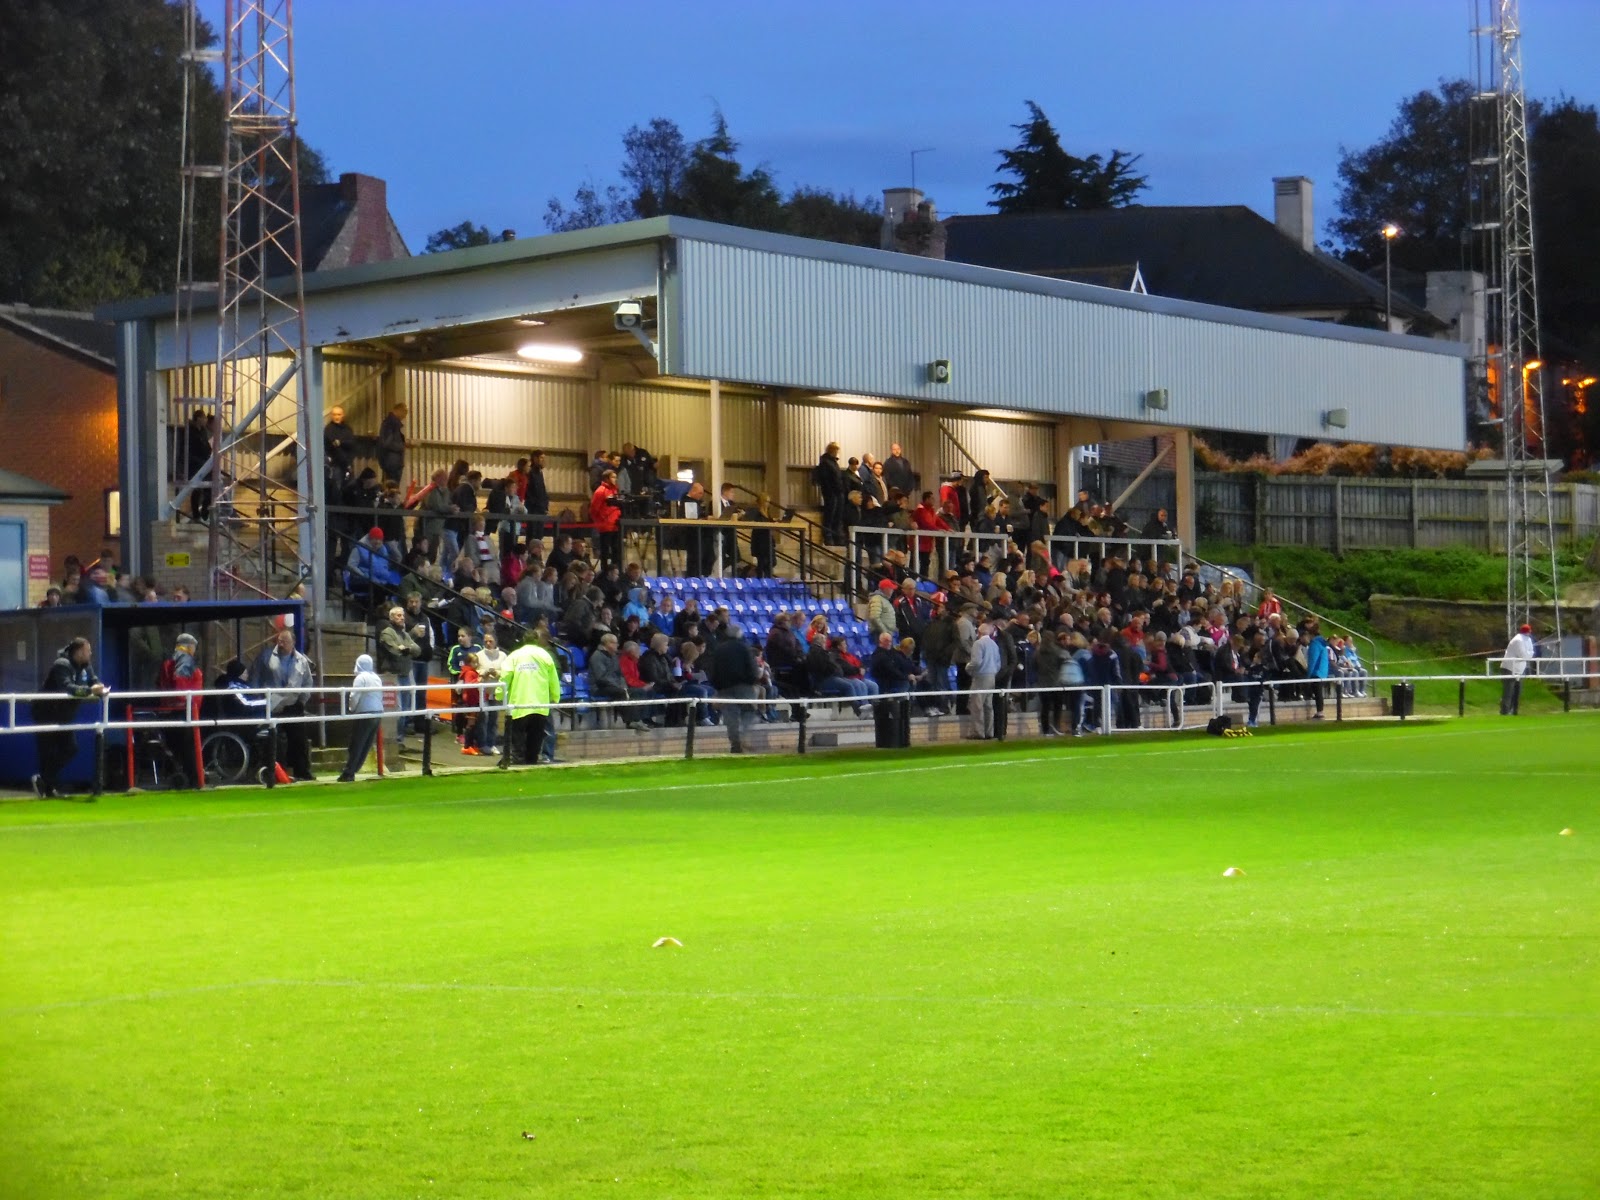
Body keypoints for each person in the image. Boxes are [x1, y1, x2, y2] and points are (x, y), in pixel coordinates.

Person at [30, 637, 109, 799]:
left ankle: (44, 780)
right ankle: (48, 789)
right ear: (79, 652)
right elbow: (68, 687)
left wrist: (100, 689)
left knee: (70, 748)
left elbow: (94, 682)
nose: (90, 653)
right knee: (48, 752)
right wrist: (90, 691)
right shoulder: (62, 665)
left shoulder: (86, 667)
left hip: (64, 715)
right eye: (88, 650)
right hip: (46, 713)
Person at [251, 629, 316, 781]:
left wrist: (302, 701)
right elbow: (256, 677)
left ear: (293, 643)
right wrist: (258, 697)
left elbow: (308, 682)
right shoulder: (265, 656)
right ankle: (278, 773)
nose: (281, 644)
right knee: (275, 740)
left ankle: (302, 771)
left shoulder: (301, 660)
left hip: (294, 704)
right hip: (273, 705)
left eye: (285, 641)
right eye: (279, 641)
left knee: (299, 739)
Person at [495, 631, 562, 767]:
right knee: (535, 738)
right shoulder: (545, 656)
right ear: (536, 640)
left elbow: (505, 677)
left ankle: (518, 761)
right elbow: (553, 679)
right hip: (540, 705)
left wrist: (499, 694)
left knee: (517, 737)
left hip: (519, 704)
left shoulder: (514, 656)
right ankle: (532, 761)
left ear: (523, 640)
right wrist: (556, 696)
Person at [375, 605, 420, 769]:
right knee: (397, 710)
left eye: (402, 615)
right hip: (392, 676)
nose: (402, 618)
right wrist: (406, 649)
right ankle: (393, 740)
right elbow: (394, 651)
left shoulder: (404, 634)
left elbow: (417, 650)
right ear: (391, 618)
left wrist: (407, 649)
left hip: (405, 674)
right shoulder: (387, 632)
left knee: (405, 710)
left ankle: (400, 740)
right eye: (398, 616)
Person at [709, 624, 760, 752]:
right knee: (749, 711)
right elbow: (752, 668)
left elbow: (713, 670)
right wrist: (753, 681)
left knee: (730, 716)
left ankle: (735, 743)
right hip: (744, 686)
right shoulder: (744, 648)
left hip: (724, 688)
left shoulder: (719, 649)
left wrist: (717, 686)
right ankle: (742, 734)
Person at [337, 654, 385, 782]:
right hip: (378, 713)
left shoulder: (360, 678)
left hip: (364, 713)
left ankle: (349, 772)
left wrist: (351, 709)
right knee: (366, 745)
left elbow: (354, 696)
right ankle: (353, 770)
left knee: (357, 744)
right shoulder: (376, 678)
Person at [964, 621, 1001, 739]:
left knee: (977, 705)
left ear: (979, 632)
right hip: (992, 676)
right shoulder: (994, 644)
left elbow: (976, 661)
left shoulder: (978, 644)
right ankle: (989, 732)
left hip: (980, 677)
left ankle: (978, 732)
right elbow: (998, 663)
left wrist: (968, 667)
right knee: (988, 706)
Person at [1500, 623, 1537, 715]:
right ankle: (1505, 711)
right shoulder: (1518, 640)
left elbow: (1531, 652)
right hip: (1509, 668)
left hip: (1520, 669)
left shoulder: (1528, 639)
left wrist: (1528, 655)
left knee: (1517, 691)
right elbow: (1523, 655)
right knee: (1508, 692)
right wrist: (1528, 655)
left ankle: (1514, 711)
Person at [376, 402, 409, 483]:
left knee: (390, 485)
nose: (405, 416)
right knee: (391, 486)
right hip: (392, 463)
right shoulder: (390, 424)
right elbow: (387, 443)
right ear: (398, 410)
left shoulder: (391, 424)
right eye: (405, 412)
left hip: (392, 462)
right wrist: (402, 446)